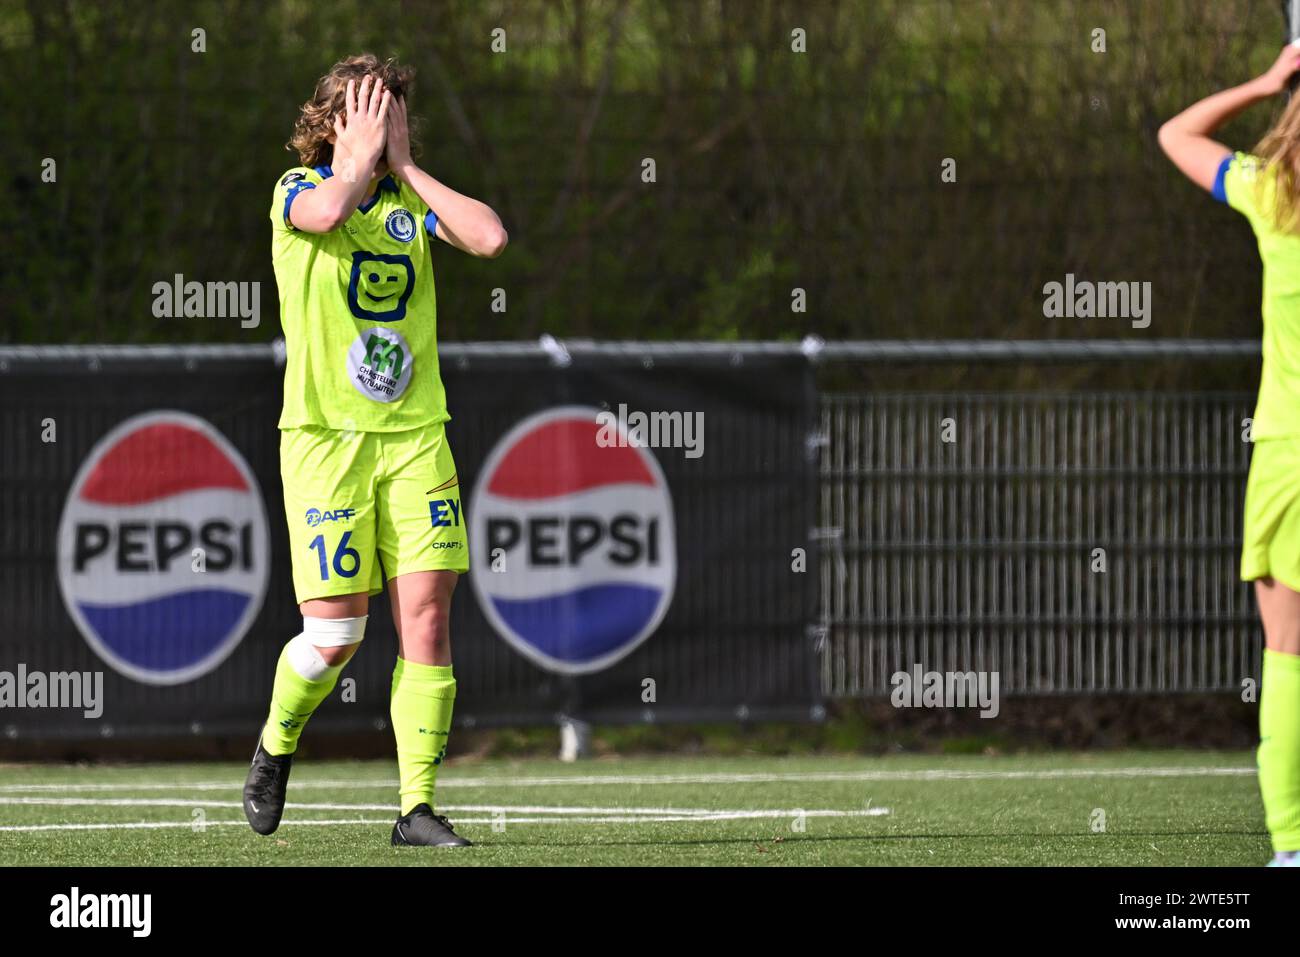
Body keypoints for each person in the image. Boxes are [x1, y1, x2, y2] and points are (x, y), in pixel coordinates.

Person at [242, 54, 507, 847]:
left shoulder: (405, 199)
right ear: (331, 120)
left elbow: (488, 237)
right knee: (335, 638)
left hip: (416, 437)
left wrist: (407, 166)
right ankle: (276, 742)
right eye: (368, 108)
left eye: (393, 110)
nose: (385, 121)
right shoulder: (297, 190)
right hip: (327, 443)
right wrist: (355, 164)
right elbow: (324, 214)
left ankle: (415, 808)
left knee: (427, 616)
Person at [1160, 44, 1300, 866]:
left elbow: (1177, 133)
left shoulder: (1270, 194)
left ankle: (1290, 848)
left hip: (1286, 455)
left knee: (1286, 650)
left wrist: (1265, 82)